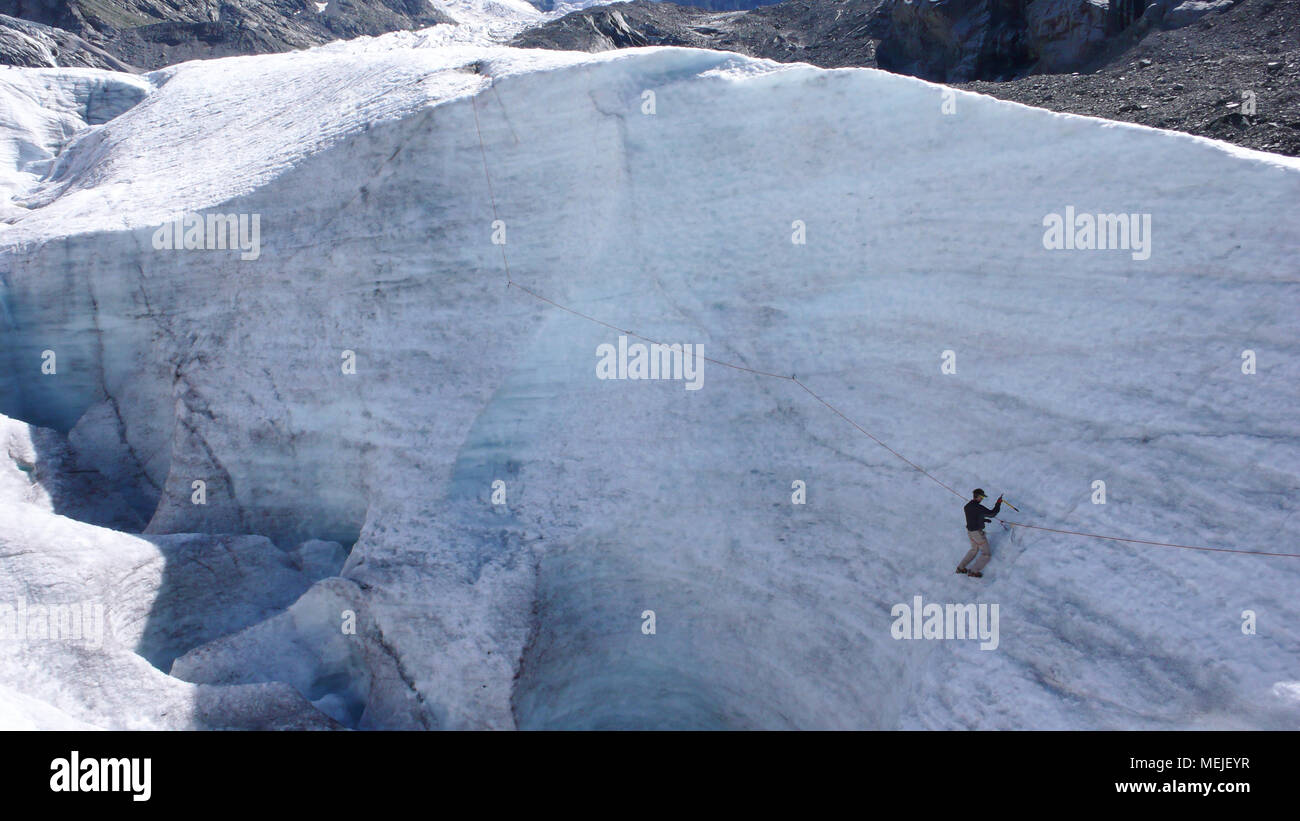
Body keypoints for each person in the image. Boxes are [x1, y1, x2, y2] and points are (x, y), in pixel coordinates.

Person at [956, 488, 1002, 578]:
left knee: (974, 550)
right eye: (981, 497)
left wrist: (984, 520)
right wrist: (998, 503)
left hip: (970, 532)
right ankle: (973, 571)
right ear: (977, 496)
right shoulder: (978, 507)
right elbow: (992, 513)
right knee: (986, 554)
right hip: (977, 533)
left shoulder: (967, 506)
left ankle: (960, 568)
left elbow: (972, 517)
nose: (982, 499)